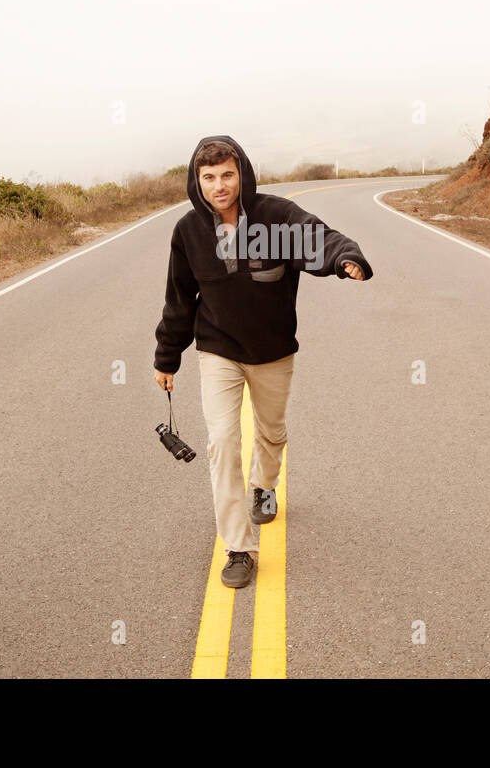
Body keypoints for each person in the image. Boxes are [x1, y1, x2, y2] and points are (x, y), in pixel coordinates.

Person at [153, 135, 373, 588]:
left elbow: (320, 238)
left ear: (242, 173)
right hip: (218, 350)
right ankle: (239, 546)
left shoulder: (275, 217)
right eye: (208, 177)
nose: (219, 185)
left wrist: (344, 257)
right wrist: (167, 356)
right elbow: (179, 299)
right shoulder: (188, 232)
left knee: (270, 430)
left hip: (273, 350)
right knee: (222, 441)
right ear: (197, 181)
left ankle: (265, 485)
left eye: (227, 175)